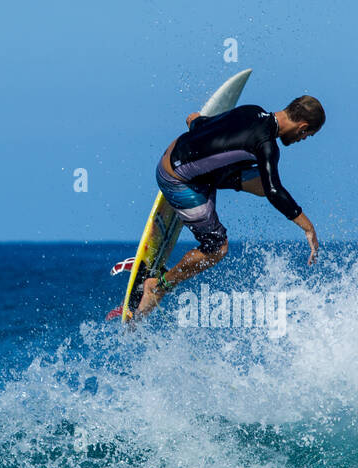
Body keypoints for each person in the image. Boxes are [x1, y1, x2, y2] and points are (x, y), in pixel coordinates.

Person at [132, 95, 324, 319]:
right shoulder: (266, 145)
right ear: (303, 127)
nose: (303, 139)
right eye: (307, 135)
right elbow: (275, 192)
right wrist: (308, 228)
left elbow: (209, 126)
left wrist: (195, 121)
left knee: (261, 179)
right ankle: (158, 286)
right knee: (216, 248)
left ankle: (194, 211)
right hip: (178, 180)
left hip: (176, 152)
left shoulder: (253, 111)